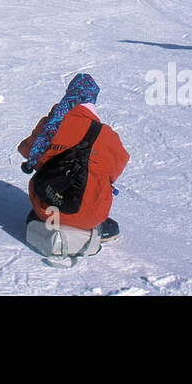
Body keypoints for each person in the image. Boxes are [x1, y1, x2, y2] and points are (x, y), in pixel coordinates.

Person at [18, 74, 129, 257]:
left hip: (47, 208)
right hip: (90, 215)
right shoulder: (108, 137)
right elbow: (114, 172)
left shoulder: (51, 125)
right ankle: (86, 227)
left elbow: (28, 152)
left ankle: (48, 221)